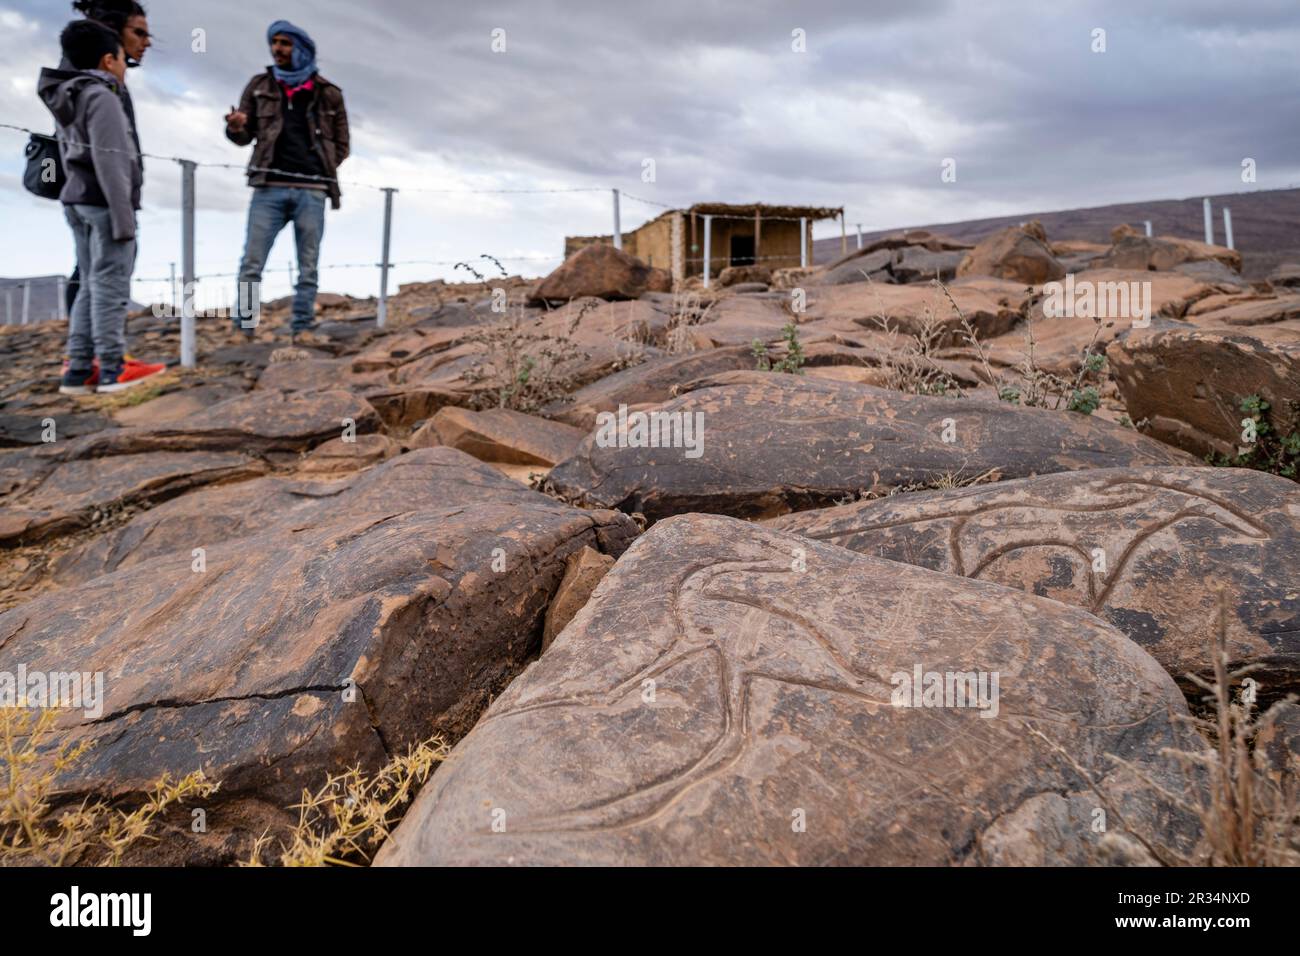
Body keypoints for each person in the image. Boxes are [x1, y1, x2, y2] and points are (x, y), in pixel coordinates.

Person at [38, 20, 164, 394]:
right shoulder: (102, 97)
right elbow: (112, 160)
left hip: (76, 200)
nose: (126, 66)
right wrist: (125, 218)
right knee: (110, 285)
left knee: (91, 285)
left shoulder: (68, 94)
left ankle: (78, 369)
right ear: (109, 60)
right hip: (104, 201)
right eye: (123, 58)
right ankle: (112, 368)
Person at [225, 21, 349, 343]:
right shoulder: (259, 86)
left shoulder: (329, 94)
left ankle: (302, 327)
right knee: (252, 262)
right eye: (274, 43)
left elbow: (342, 143)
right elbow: (243, 136)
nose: (277, 49)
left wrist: (319, 169)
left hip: (312, 190)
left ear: (301, 48)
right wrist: (237, 127)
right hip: (268, 187)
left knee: (308, 265)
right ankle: (244, 326)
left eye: (285, 43)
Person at [62, 1, 152, 348]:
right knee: (105, 278)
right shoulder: (99, 90)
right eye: (138, 33)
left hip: (80, 191)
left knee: (90, 276)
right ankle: (107, 361)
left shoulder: (80, 81)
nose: (145, 43)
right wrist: (124, 215)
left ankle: (80, 360)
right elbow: (109, 156)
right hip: (99, 194)